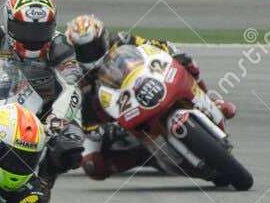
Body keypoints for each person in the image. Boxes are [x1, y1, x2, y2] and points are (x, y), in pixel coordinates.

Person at [63, 14, 231, 180]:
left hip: (145, 83)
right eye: (83, 51)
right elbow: (79, 116)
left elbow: (152, 47)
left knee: (188, 63)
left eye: (93, 46)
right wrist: (98, 130)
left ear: (103, 38)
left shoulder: (122, 40)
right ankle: (146, 156)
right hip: (115, 117)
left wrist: (172, 53)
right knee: (93, 165)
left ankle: (210, 101)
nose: (89, 54)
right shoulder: (76, 77)